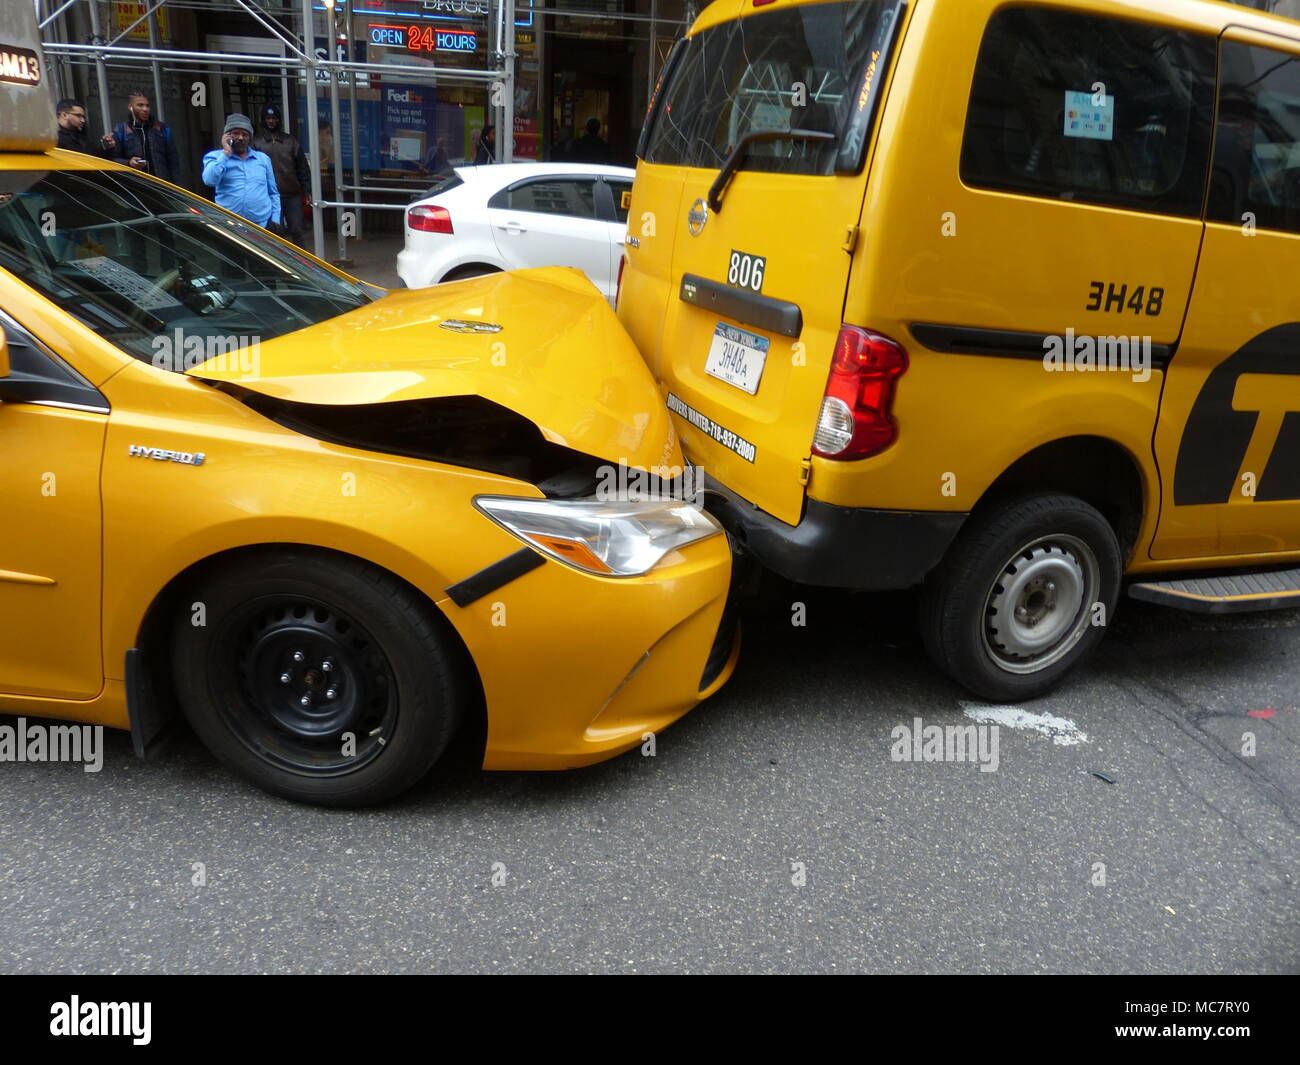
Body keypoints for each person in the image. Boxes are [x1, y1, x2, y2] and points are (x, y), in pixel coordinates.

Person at [201, 114, 281, 229]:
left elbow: (273, 193)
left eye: (245, 134)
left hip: (261, 226)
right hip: (229, 225)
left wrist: (275, 220)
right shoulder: (215, 157)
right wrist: (226, 154)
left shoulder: (263, 159)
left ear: (249, 138)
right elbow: (209, 180)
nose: (240, 138)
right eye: (236, 133)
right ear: (227, 136)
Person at [254, 104, 310, 245]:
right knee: (276, 232)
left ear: (279, 120)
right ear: (263, 120)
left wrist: (307, 189)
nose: (271, 121)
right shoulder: (256, 143)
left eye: (274, 118)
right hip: (269, 196)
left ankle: (302, 263)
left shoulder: (290, 141)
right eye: (268, 118)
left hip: (292, 194)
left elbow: (302, 167)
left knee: (297, 230)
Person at [111, 89, 180, 184]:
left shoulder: (162, 128)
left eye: (147, 106)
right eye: (140, 105)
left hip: (161, 184)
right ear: (130, 107)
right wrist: (128, 163)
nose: (145, 109)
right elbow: (114, 159)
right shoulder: (121, 129)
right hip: (136, 185)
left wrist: (176, 187)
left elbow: (173, 161)